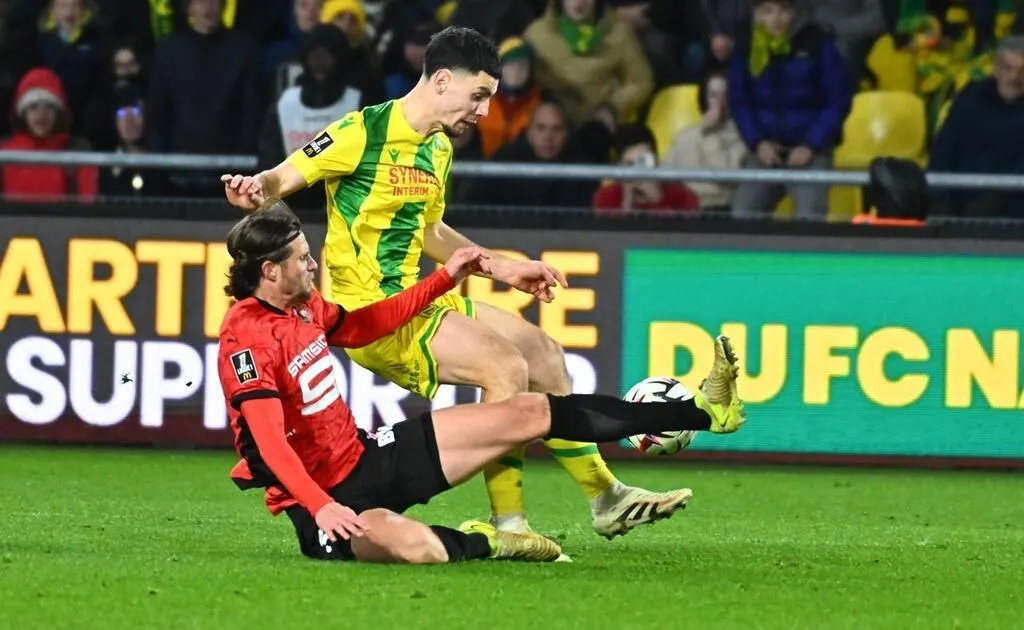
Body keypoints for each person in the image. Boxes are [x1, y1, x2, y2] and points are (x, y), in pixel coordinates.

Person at [220, 25, 697, 543]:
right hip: (372, 315)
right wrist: (255, 189)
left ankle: (605, 497)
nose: (485, 111)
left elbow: (431, 230)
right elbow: (283, 177)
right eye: (479, 95)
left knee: (543, 354)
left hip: (416, 301)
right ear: (443, 80)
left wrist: (503, 267)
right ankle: (509, 525)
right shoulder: (361, 132)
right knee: (504, 367)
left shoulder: (438, 149)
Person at [218, 206, 747, 564]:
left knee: (532, 410)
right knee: (418, 548)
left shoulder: (303, 304)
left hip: (368, 456)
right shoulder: (247, 341)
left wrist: (443, 279)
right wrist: (321, 507)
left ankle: (704, 410)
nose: (313, 264)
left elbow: (361, 327)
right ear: (270, 272)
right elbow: (270, 443)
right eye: (301, 259)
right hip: (324, 504)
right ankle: (493, 542)